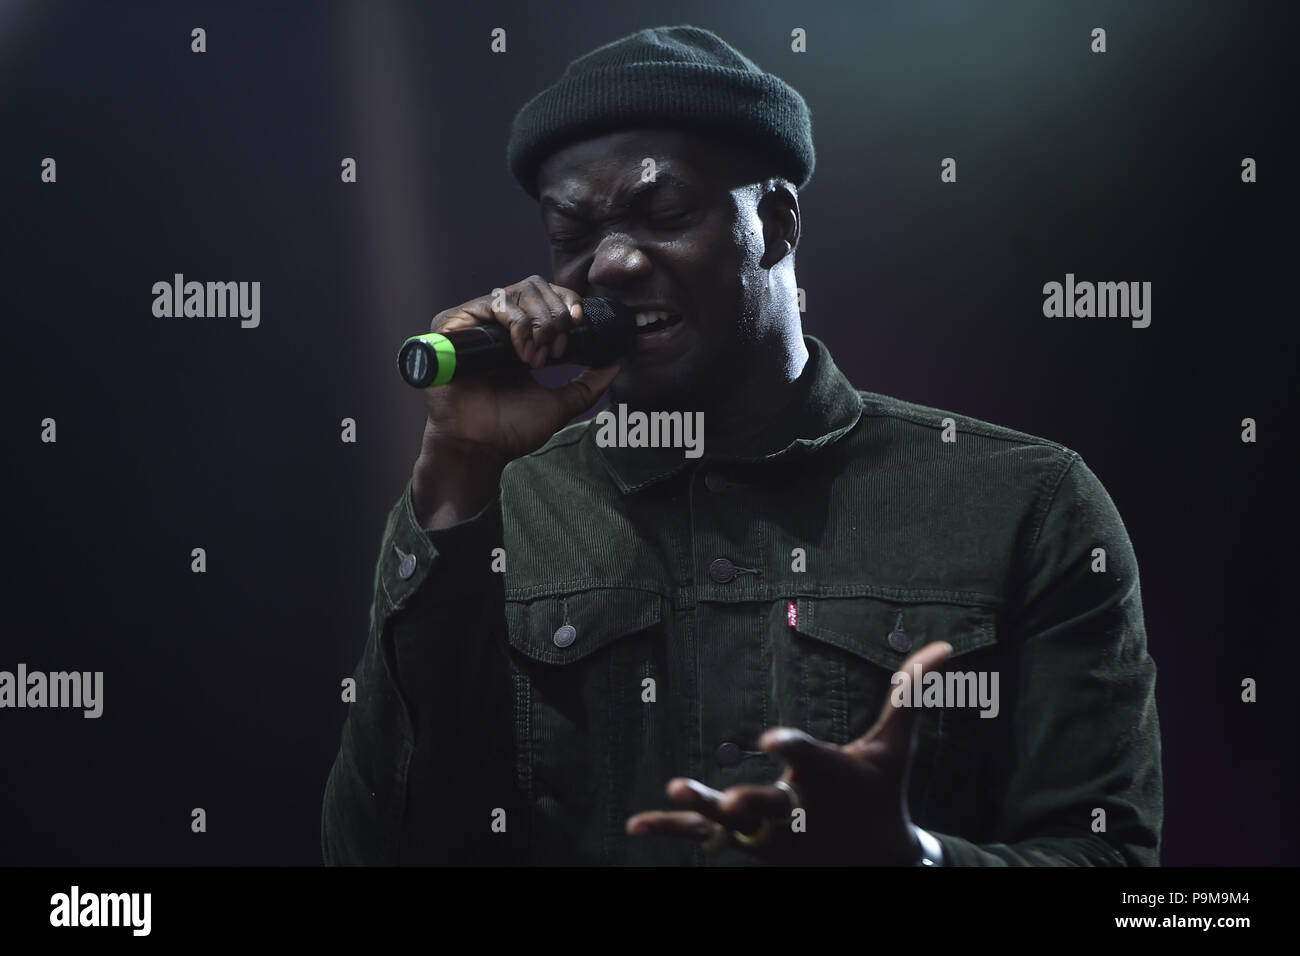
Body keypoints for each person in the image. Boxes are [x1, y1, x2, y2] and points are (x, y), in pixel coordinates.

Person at [321, 24, 1162, 866]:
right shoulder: (494, 508)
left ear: (778, 223)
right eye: (573, 232)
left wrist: (911, 858)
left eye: (666, 213)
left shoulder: (1027, 504)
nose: (610, 264)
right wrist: (460, 466)